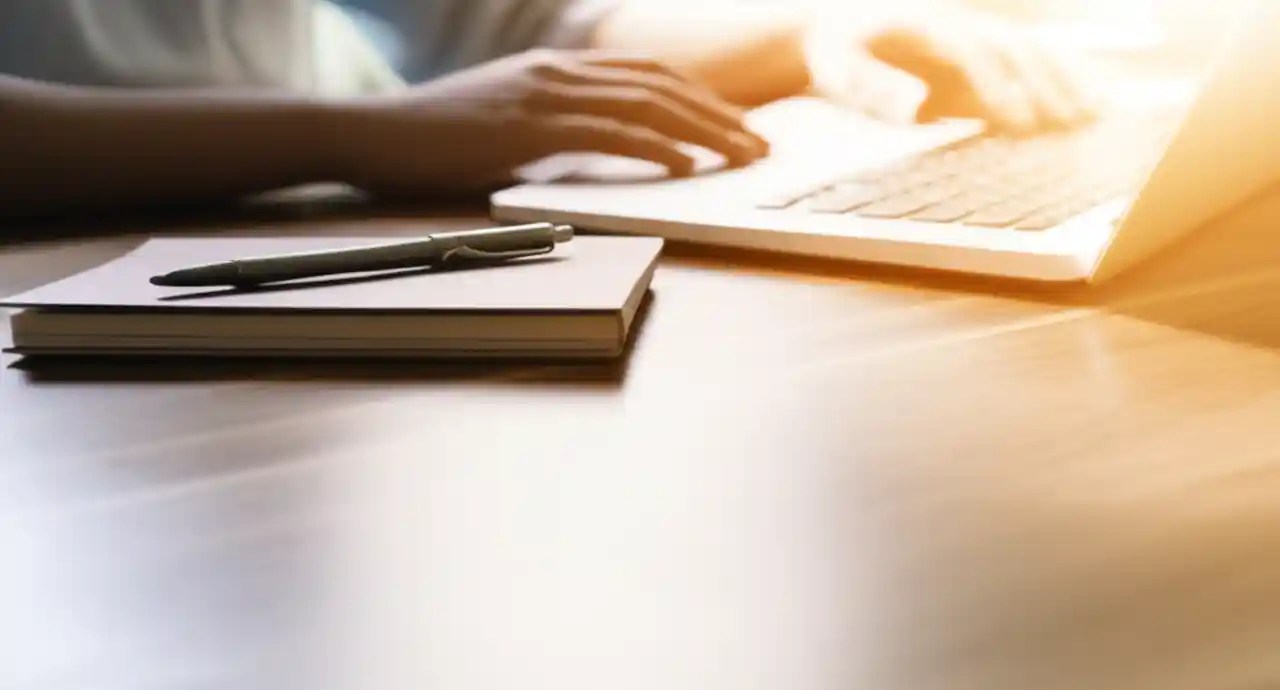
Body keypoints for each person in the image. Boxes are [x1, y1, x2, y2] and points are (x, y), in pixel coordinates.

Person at [0, 0, 1095, 221]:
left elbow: (516, 27)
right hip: (76, 304)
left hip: (375, 220)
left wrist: (818, 33)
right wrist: (360, 131)